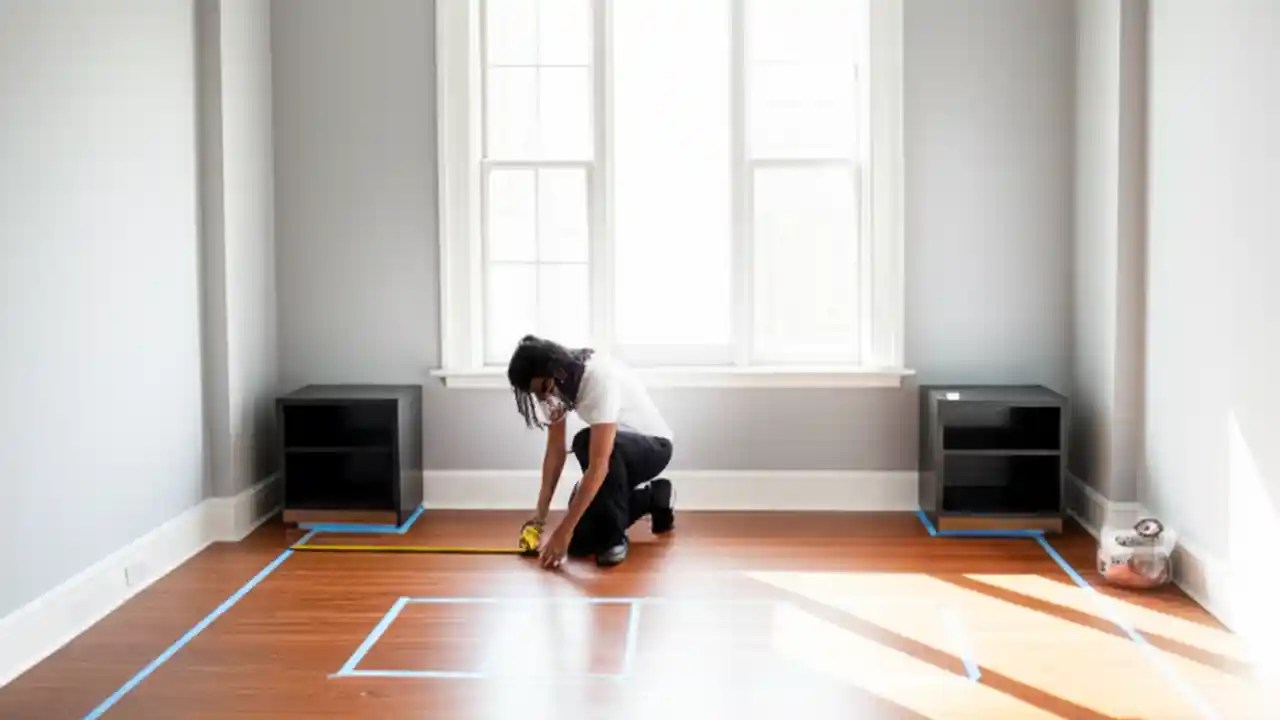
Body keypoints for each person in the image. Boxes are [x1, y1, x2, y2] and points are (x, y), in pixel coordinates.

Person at [507, 335, 675, 568]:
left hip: (653, 447)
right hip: (614, 457)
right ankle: (653, 497)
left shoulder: (599, 378)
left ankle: (613, 541)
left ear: (556, 371)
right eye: (537, 394)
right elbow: (555, 453)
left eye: (544, 388)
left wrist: (564, 530)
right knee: (580, 543)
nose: (544, 397)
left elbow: (600, 465)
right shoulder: (555, 388)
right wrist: (540, 517)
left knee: (584, 442)